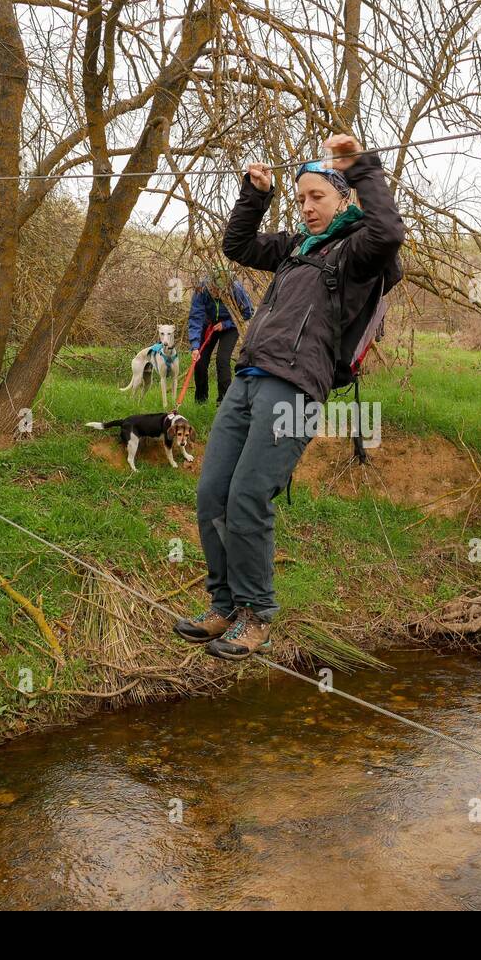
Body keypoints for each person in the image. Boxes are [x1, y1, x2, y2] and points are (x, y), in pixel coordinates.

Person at [173, 132, 405, 659]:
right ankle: (224, 606)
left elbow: (389, 232)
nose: (306, 207)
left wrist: (360, 164)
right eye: (300, 198)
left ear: (345, 198)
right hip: (251, 375)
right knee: (213, 493)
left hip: (298, 388)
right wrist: (255, 196)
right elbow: (238, 246)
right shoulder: (297, 247)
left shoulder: (359, 250)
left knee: (250, 496)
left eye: (317, 196)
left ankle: (256, 616)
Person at [187, 267, 253, 404]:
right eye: (214, 291)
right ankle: (201, 401)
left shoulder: (236, 289)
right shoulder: (202, 288)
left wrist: (227, 324)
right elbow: (195, 317)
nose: (216, 294)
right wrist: (194, 346)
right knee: (199, 361)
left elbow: (247, 313)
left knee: (222, 360)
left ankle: (224, 402)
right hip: (208, 323)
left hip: (230, 325)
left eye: (220, 292)